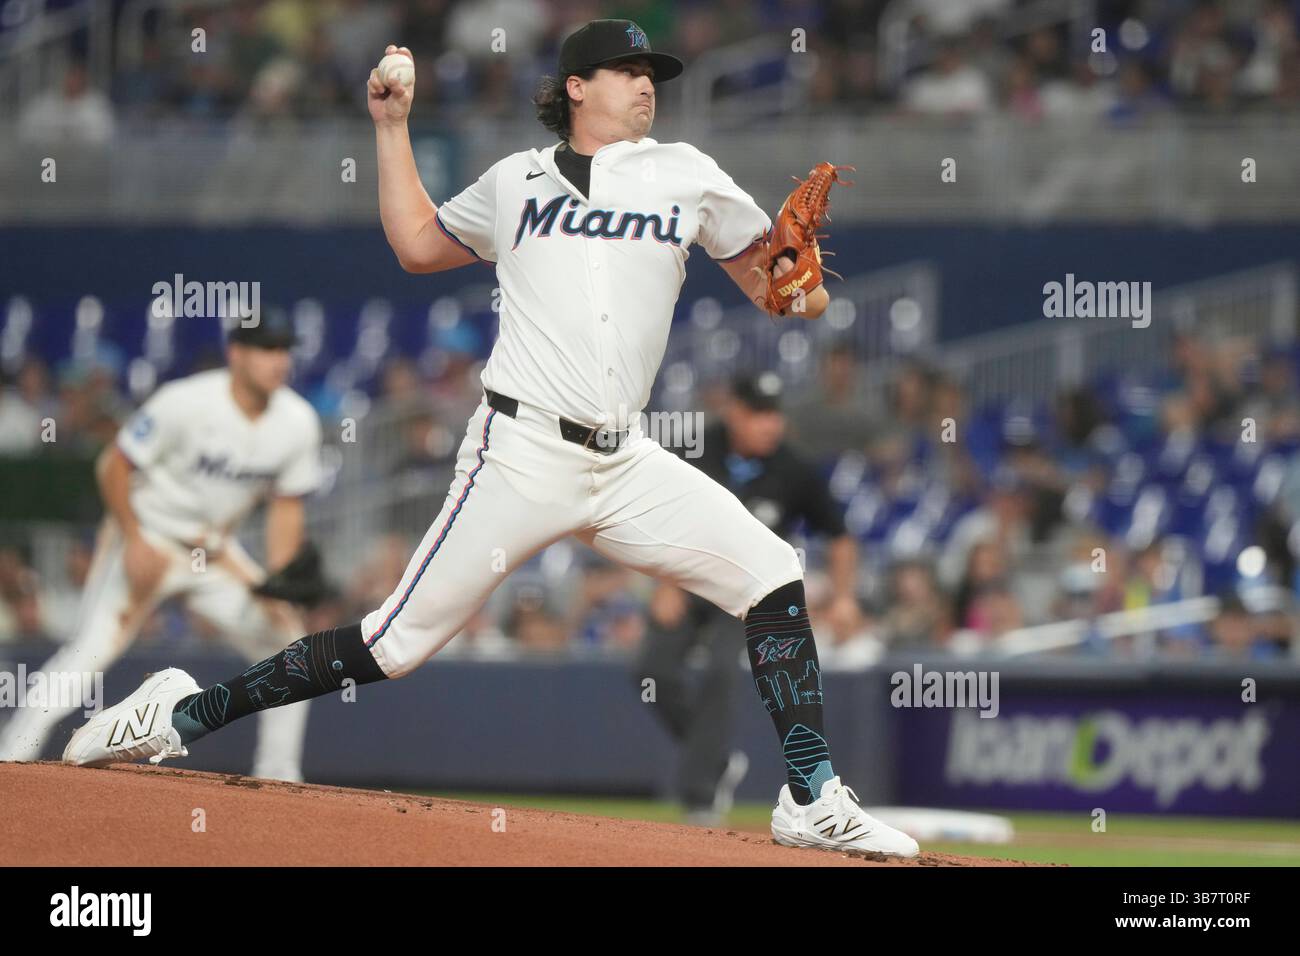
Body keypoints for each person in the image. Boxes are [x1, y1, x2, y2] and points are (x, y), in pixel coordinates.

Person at [63, 19, 918, 858]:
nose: (646, 82)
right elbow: (416, 245)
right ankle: (176, 715)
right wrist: (392, 128)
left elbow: (783, 294)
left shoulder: (685, 174)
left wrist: (802, 286)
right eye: (626, 69)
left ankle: (812, 798)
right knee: (392, 644)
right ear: (577, 87)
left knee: (773, 572)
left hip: (625, 457)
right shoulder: (517, 181)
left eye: (651, 70)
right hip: (522, 453)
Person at [1, 314, 321, 780]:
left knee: (289, 646)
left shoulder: (298, 421)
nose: (279, 360)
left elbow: (286, 508)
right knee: (87, 653)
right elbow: (113, 466)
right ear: (236, 354)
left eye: (284, 349)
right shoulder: (186, 402)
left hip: (215, 554)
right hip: (149, 537)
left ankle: (280, 777)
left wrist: (277, 583)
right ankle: (12, 756)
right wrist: (133, 540)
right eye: (267, 348)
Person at [637, 372, 866, 825]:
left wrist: (844, 597)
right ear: (734, 411)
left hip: (750, 593)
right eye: (759, 414)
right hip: (688, 579)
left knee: (721, 672)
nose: (770, 425)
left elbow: (840, 536)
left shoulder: (794, 467)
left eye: (775, 414)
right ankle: (715, 760)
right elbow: (658, 515)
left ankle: (701, 797)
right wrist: (662, 582)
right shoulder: (696, 448)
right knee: (649, 673)